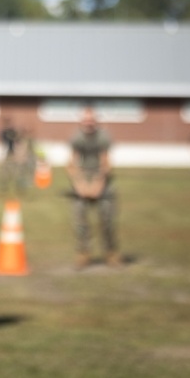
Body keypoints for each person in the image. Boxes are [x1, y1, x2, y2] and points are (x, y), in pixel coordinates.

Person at [66, 106, 121, 269]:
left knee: (107, 220)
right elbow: (72, 163)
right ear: (81, 122)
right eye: (85, 120)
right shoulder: (76, 138)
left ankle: (111, 253)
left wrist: (98, 185)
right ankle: (84, 254)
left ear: (96, 121)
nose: (88, 123)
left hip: (102, 180)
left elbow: (106, 163)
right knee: (80, 220)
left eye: (91, 120)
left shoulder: (103, 137)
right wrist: (80, 185)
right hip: (82, 178)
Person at [0, 118, 21, 198]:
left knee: (15, 169)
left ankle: (17, 185)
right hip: (5, 152)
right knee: (4, 170)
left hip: (12, 152)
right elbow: (0, 140)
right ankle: (3, 185)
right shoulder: (4, 132)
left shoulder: (13, 132)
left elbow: (17, 141)